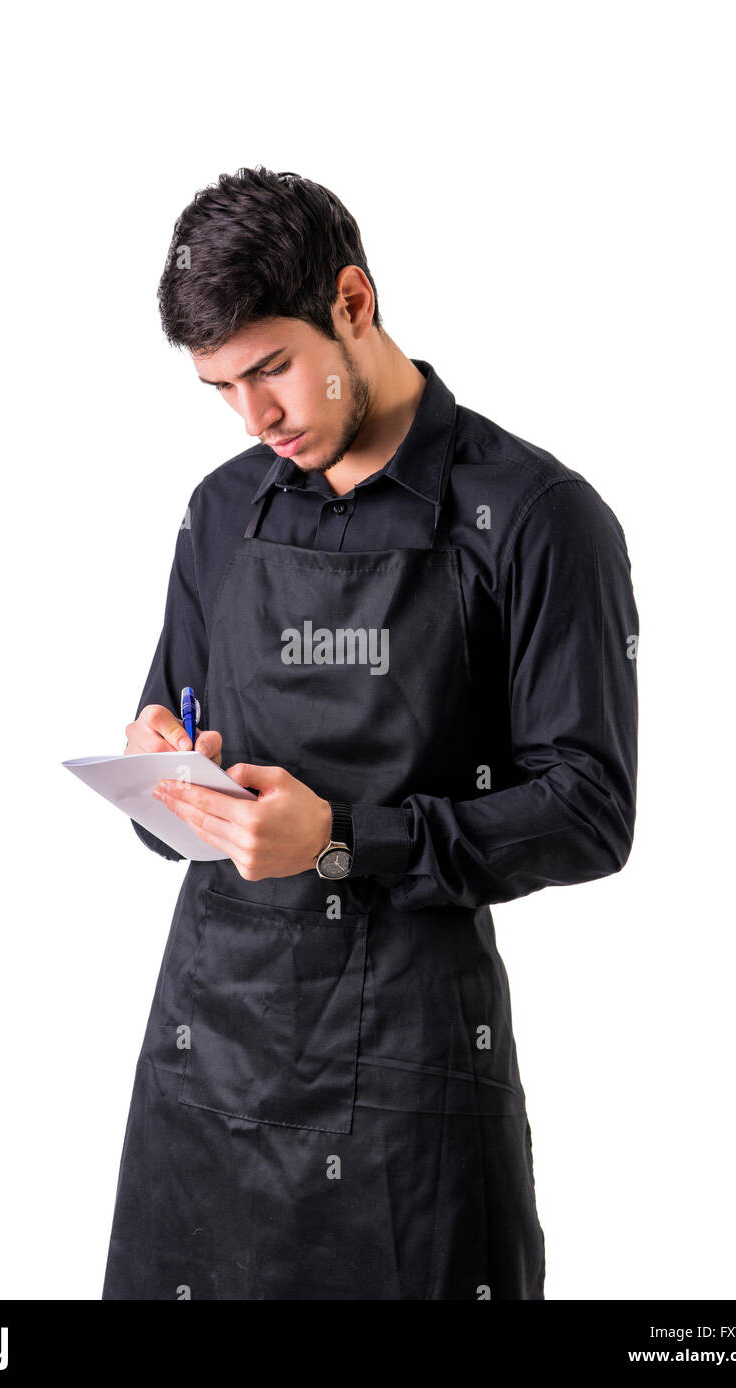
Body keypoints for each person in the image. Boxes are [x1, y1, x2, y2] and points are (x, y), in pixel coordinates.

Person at [100, 166, 639, 1301]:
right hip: (207, 1067)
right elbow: (174, 790)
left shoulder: (535, 520)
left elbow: (587, 809)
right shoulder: (219, 514)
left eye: (271, 370)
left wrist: (343, 838)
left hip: (408, 1084)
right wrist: (168, 777)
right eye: (220, 389)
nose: (256, 419)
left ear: (352, 301)